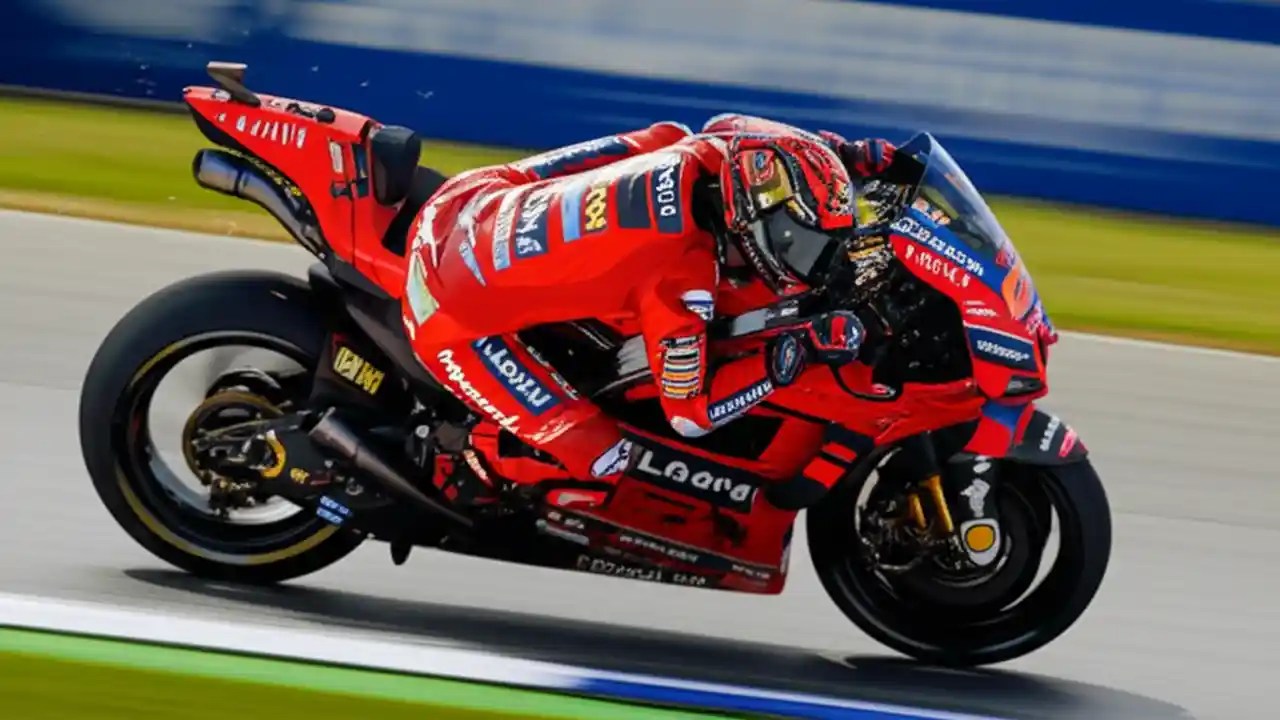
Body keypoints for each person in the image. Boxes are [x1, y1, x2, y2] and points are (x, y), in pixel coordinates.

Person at [399, 113, 903, 510]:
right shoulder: (680, 278)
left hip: (468, 198)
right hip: (444, 309)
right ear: (751, 215)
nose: (806, 262)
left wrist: (844, 157)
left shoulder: (715, 151)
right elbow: (689, 414)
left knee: (667, 136)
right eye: (798, 243)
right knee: (603, 458)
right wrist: (789, 357)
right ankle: (472, 457)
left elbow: (742, 127)